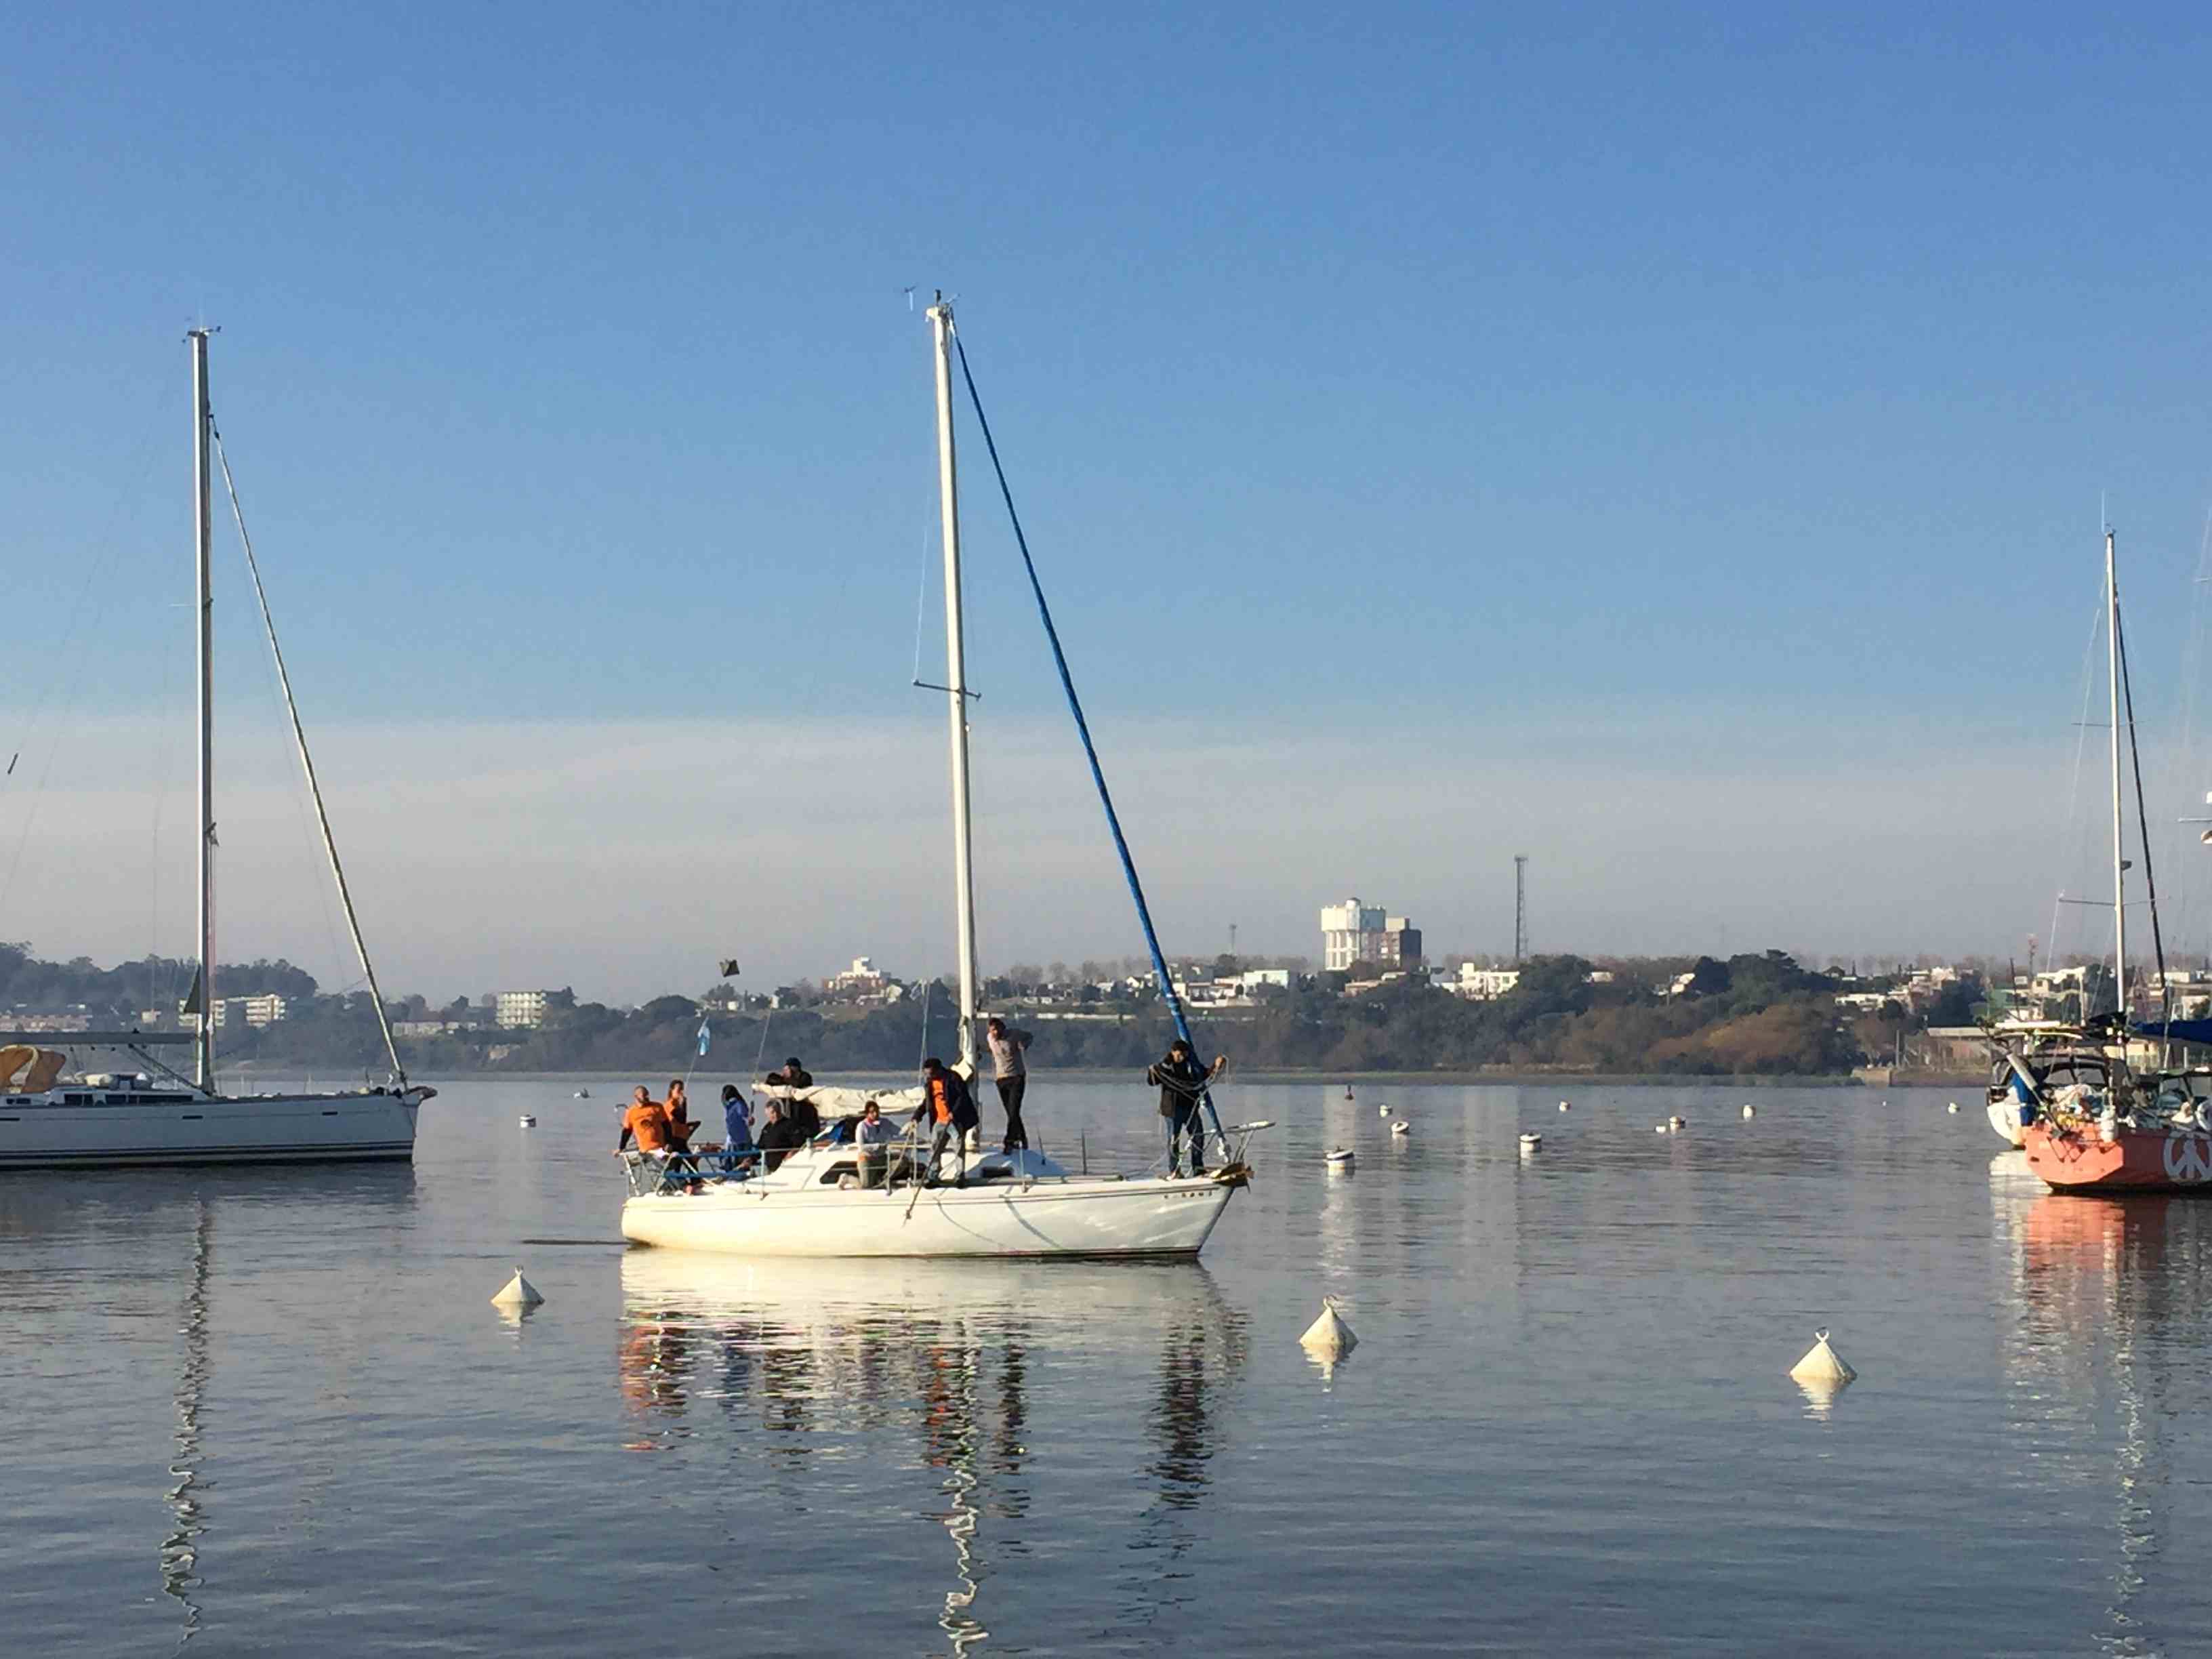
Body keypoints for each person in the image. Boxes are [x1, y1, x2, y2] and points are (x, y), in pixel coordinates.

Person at [1147, 1040, 1221, 1178]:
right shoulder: (1166, 1065)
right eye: (1179, 1054)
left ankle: (1198, 1168)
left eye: (1184, 1054)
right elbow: (1152, 1082)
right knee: (1174, 1140)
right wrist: (1153, 1071)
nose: (1181, 1057)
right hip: (1173, 1110)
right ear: (1173, 1052)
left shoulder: (1191, 1064)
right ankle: (1174, 1170)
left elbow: (1204, 1075)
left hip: (1190, 1108)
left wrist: (1216, 1066)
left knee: (1198, 1136)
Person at [910, 1057, 981, 1187]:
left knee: (958, 1147)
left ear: (938, 1070)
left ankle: (959, 1175)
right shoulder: (930, 1083)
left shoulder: (953, 1078)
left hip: (955, 1121)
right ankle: (933, 1175)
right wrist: (917, 1116)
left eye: (931, 1073)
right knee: (935, 1148)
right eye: (927, 1074)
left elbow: (963, 1096)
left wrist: (954, 1112)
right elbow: (928, 1102)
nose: (929, 1076)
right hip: (939, 1120)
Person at [984, 1017, 1034, 1153]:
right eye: (992, 1030)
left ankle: (1009, 1141)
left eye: (997, 1029)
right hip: (1001, 1079)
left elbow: (1029, 1036)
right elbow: (992, 1050)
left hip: (1016, 1077)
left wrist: (1024, 1045)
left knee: (1014, 1110)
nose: (995, 1033)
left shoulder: (1013, 1034)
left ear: (1002, 1028)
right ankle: (1022, 1138)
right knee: (1011, 1113)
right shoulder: (990, 1038)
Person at [762, 1055, 821, 1139]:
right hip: (791, 1118)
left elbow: (799, 1085)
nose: (788, 1071)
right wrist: (784, 1077)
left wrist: (789, 1077)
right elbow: (770, 1080)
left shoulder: (805, 1077)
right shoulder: (784, 1082)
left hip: (806, 1120)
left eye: (791, 1068)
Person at [855, 1098, 900, 1189]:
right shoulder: (862, 1126)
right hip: (867, 1158)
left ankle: (884, 1180)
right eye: (872, 1112)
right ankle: (847, 1178)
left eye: (877, 1111)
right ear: (867, 1114)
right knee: (866, 1186)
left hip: (882, 1156)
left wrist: (909, 1129)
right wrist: (877, 1146)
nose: (875, 1114)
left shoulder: (885, 1123)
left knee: (902, 1161)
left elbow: (899, 1132)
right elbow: (861, 1146)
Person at [756, 1099, 806, 1173]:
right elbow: (760, 1146)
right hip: (771, 1167)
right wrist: (751, 1159)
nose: (775, 1114)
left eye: (776, 1111)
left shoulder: (790, 1125)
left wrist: (791, 1154)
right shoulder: (767, 1128)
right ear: (767, 1114)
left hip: (786, 1166)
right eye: (772, 1113)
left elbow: (799, 1143)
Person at [720, 1083, 756, 1172]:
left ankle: (740, 1173)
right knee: (732, 1160)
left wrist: (749, 1119)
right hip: (734, 1138)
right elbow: (723, 1102)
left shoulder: (739, 1104)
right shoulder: (729, 1105)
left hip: (741, 1139)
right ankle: (731, 1171)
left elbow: (745, 1116)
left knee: (739, 1161)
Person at [665, 1078, 697, 1151]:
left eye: (682, 1089)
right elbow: (681, 1119)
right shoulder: (670, 1105)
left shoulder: (678, 1104)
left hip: (682, 1138)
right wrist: (683, 1104)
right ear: (672, 1090)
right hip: (675, 1139)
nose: (681, 1092)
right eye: (679, 1090)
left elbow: (683, 1120)